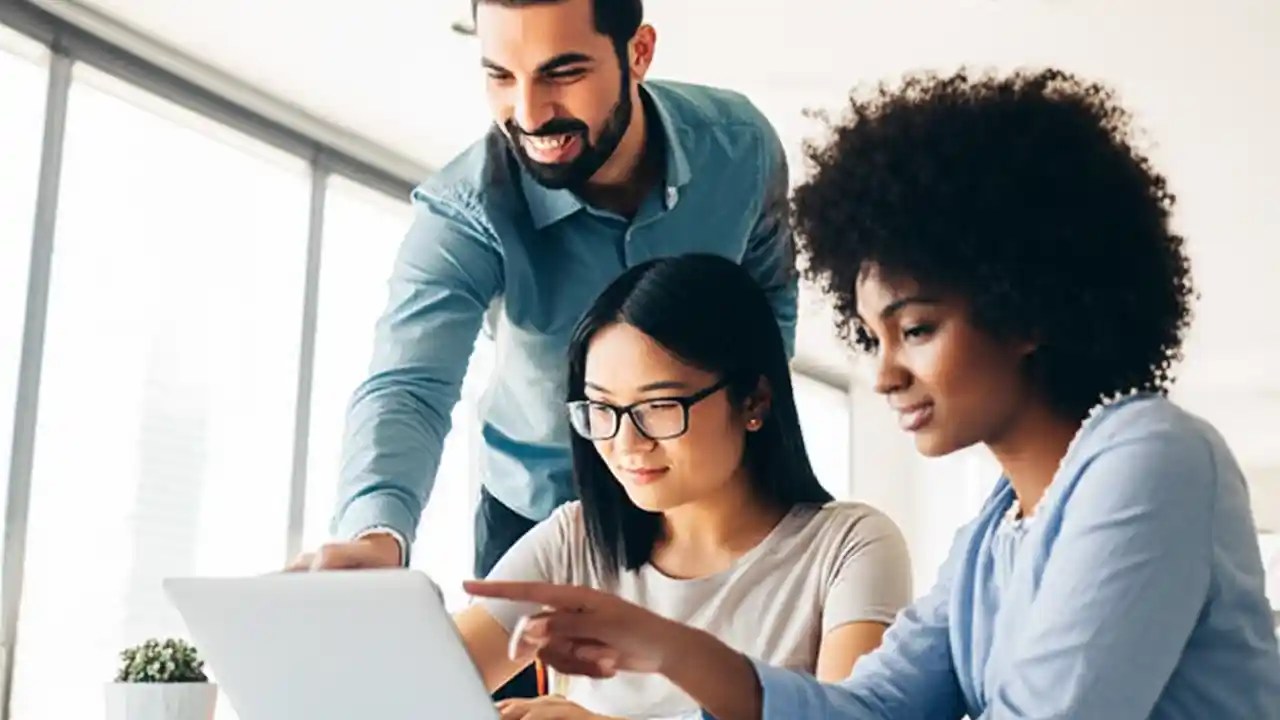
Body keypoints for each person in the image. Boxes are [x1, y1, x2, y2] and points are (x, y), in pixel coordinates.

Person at [465, 68, 1280, 718]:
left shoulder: (1149, 457)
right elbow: (872, 710)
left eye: (916, 329)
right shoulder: (991, 539)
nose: (885, 373)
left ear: (1026, 307)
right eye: (873, 338)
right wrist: (668, 647)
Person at [288, 0, 798, 699]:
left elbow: (769, 300)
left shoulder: (741, 150)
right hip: (535, 511)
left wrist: (747, 445)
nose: (528, 114)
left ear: (638, 53)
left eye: (563, 72)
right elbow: (409, 385)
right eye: (500, 75)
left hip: (704, 508)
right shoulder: (466, 207)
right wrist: (376, 532)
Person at [450, 253, 910, 719]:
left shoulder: (847, 547)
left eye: (658, 406)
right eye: (602, 409)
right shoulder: (576, 540)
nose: (627, 443)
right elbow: (427, 684)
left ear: (754, 401)